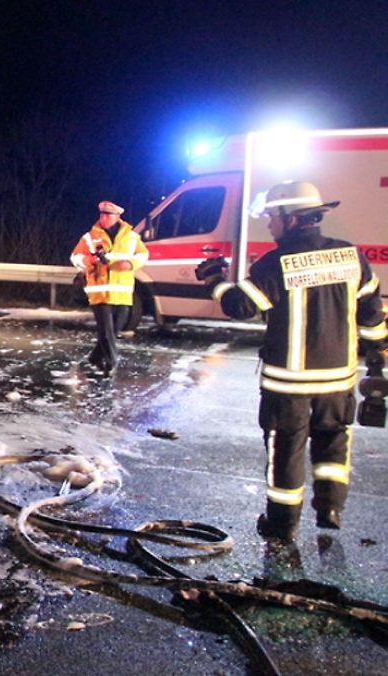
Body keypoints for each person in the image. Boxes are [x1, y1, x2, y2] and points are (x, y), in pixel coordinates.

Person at [196, 180, 387, 542]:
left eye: (272, 217)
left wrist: (215, 281)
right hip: (337, 382)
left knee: (286, 451)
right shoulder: (350, 255)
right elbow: (372, 315)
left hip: (289, 385)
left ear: (291, 218)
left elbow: (241, 306)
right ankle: (330, 508)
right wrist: (379, 355)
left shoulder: (276, 263)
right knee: (333, 442)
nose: (269, 224)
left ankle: (282, 525)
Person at [70, 200, 149, 375]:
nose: (103, 218)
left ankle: (95, 357)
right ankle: (111, 362)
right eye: (102, 214)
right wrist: (88, 261)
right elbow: (75, 257)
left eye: (108, 215)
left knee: (115, 329)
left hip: (122, 291)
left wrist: (130, 264)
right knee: (106, 330)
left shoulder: (132, 237)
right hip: (99, 290)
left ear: (117, 217)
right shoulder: (90, 237)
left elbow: (143, 255)